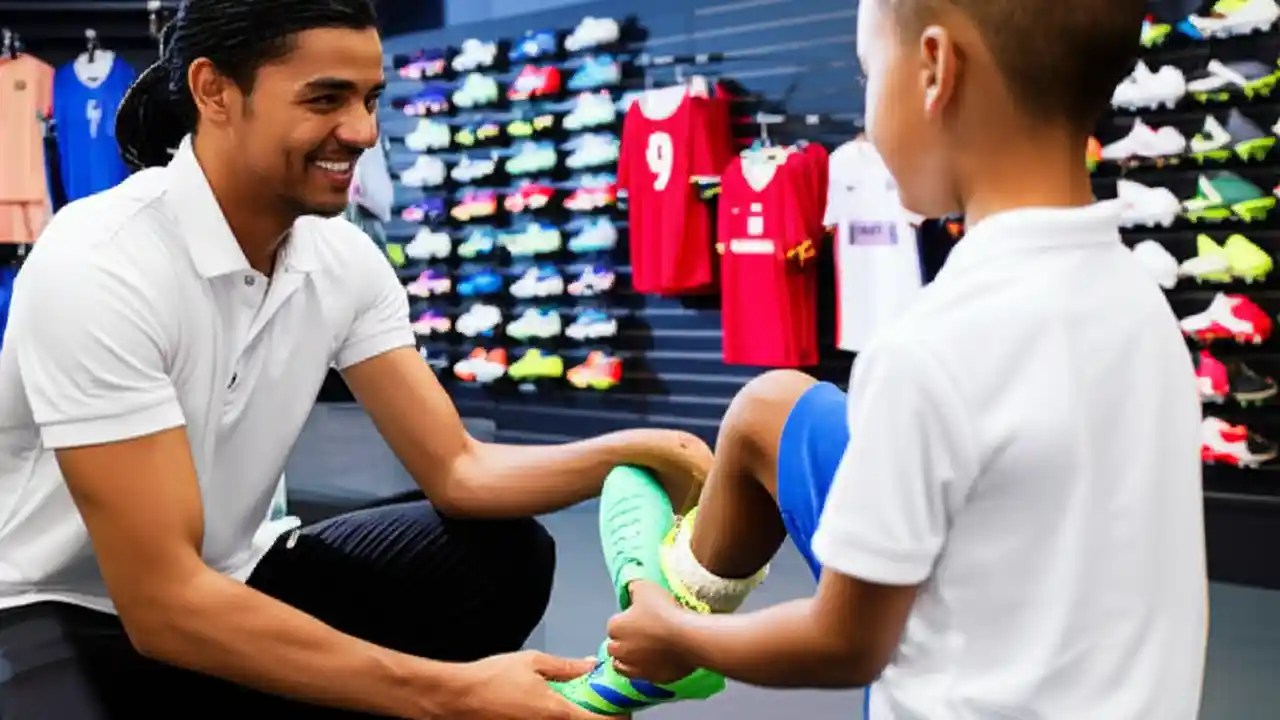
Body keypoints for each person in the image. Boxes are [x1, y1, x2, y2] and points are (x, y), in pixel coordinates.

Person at [0, 1, 708, 717]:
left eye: (370, 100)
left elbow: (459, 470)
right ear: (215, 91)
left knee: (501, 555)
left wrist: (642, 449)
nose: (365, 131)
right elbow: (163, 604)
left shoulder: (340, 258)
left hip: (231, 580)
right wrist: (453, 695)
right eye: (325, 99)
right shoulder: (100, 262)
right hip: (54, 613)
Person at [594, 0, 1209, 717]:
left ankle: (662, 626)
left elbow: (846, 644)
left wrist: (678, 638)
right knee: (770, 407)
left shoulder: (926, 349)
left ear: (934, 70)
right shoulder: (1145, 306)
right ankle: (688, 580)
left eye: (867, 73)